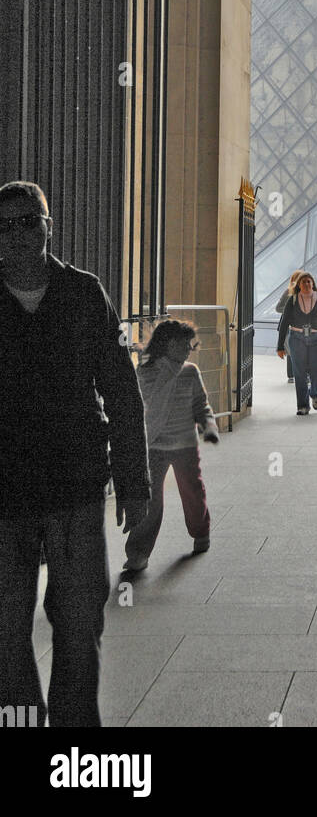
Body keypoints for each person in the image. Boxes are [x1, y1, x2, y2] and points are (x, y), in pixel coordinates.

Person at [0, 180, 150, 728]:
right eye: (6, 225)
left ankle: (75, 742)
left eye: (28, 221)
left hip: (74, 487)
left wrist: (135, 481)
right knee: (4, 630)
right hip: (6, 490)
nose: (18, 235)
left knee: (80, 620)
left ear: (48, 225)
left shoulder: (85, 294)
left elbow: (121, 390)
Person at [122, 319, 219, 573]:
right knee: (150, 500)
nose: (188, 349)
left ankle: (201, 531)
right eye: (183, 344)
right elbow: (139, 404)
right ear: (167, 344)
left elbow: (201, 403)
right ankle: (138, 552)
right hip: (154, 444)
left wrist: (208, 426)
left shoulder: (191, 371)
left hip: (185, 443)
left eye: (190, 344)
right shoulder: (147, 371)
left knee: (193, 492)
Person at [276, 272, 317, 414]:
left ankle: (314, 394)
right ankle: (302, 405)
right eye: (304, 282)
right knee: (299, 372)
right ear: (299, 285)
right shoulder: (293, 300)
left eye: (309, 281)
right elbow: (284, 323)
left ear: (313, 283)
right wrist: (280, 346)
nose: (307, 284)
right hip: (297, 338)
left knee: (316, 368)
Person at [275, 270, 304, 381]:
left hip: (301, 327)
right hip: (287, 327)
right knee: (291, 351)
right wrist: (290, 311)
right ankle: (291, 376)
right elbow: (278, 308)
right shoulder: (288, 292)